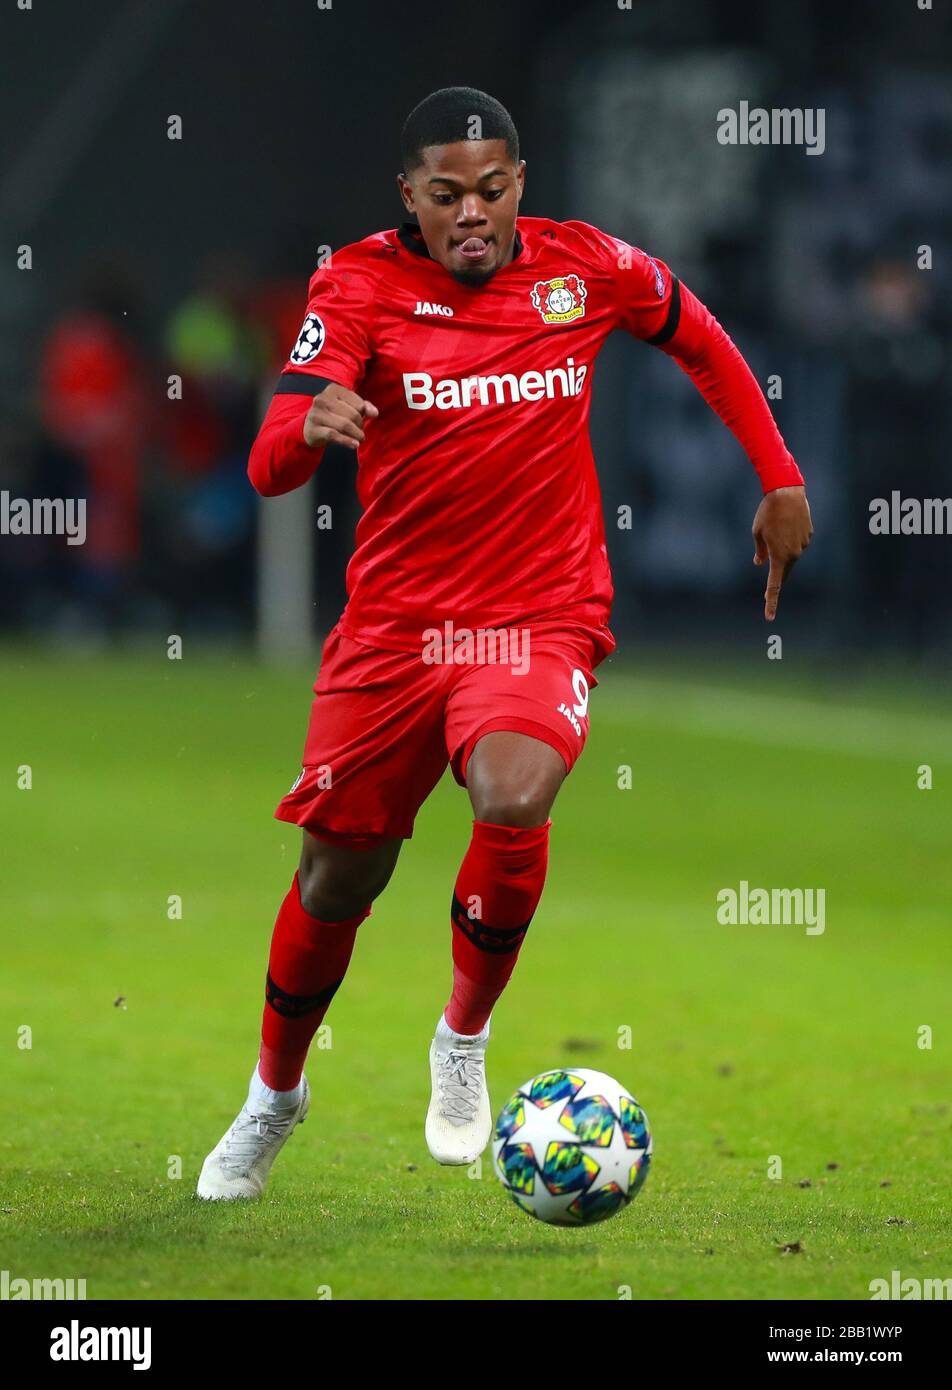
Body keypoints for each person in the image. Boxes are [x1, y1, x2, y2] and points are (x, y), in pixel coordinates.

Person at [197, 87, 813, 1200]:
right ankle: (273, 1093)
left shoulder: (588, 268)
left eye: (490, 190)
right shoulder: (358, 283)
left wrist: (777, 474)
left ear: (519, 182)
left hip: (538, 611)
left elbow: (703, 338)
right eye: (446, 197)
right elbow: (266, 461)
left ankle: (462, 1040)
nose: (471, 214)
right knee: (338, 877)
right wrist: (305, 430)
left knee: (515, 793)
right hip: (394, 627)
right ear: (409, 199)